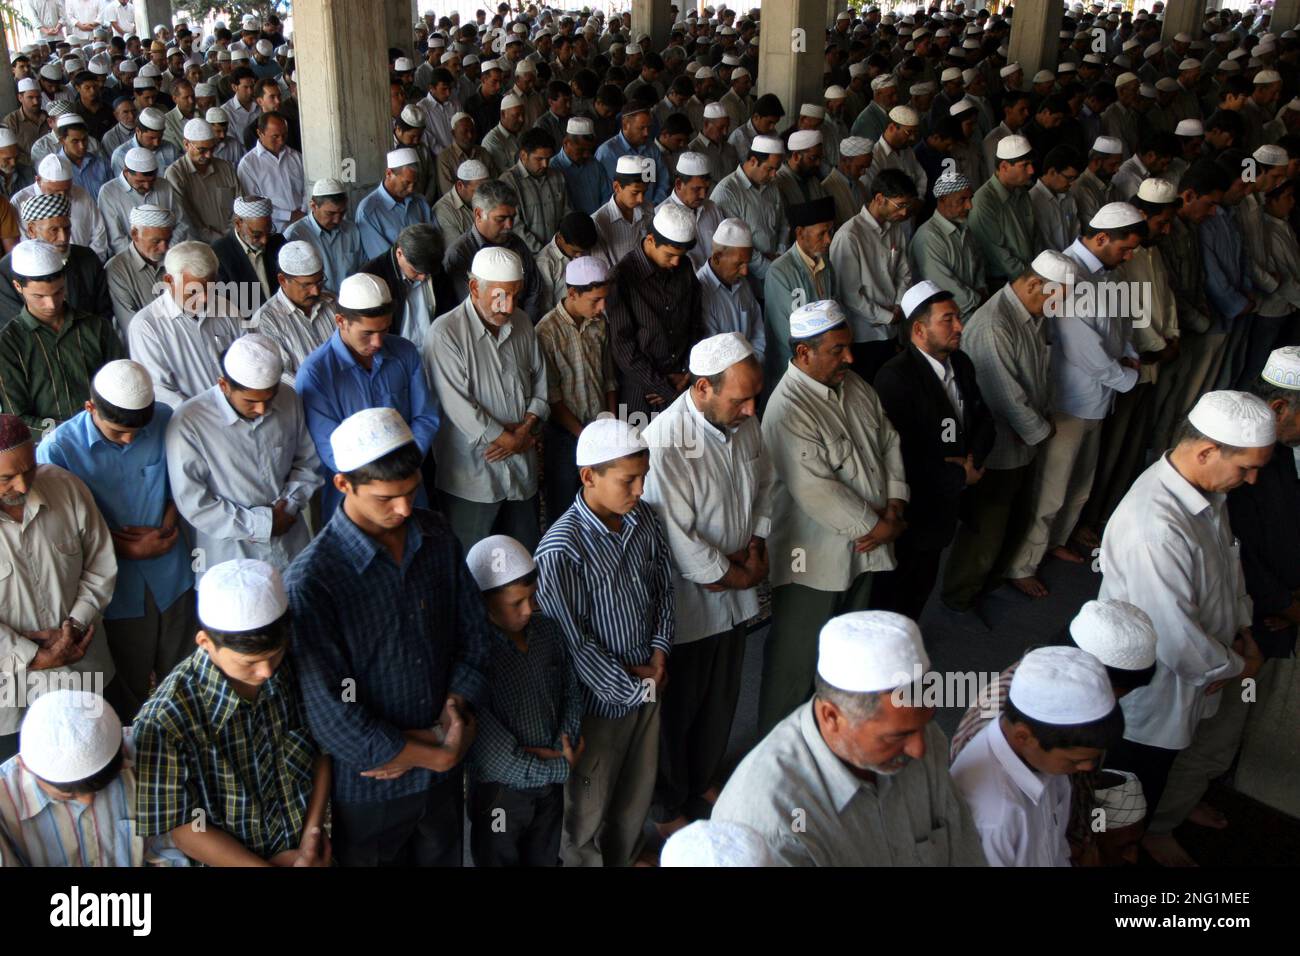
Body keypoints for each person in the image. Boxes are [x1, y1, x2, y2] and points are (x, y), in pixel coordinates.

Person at [286, 408, 491, 867]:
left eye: (410, 492)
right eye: (385, 498)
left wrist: (454, 710)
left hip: (442, 775)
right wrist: (433, 749)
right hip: (371, 789)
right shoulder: (313, 581)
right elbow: (332, 717)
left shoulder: (436, 536)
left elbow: (475, 635)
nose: (403, 509)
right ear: (343, 485)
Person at [1100, 390, 1271, 866]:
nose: (1253, 480)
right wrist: (1241, 664)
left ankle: (1152, 828)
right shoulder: (1154, 526)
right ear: (1206, 452)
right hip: (1153, 692)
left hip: (1201, 668)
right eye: (1246, 469)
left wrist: (1240, 628)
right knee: (1133, 789)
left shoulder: (1206, 490)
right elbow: (1175, 639)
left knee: (1171, 764)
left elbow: (1226, 566)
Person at [712, 610, 987, 866]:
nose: (919, 749)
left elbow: (962, 845)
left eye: (925, 723)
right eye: (896, 736)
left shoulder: (923, 736)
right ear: (832, 716)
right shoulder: (771, 824)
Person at [641, 333, 769, 836]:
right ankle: (668, 804)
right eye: (740, 398)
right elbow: (683, 543)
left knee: (721, 697)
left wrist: (756, 544)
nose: (751, 407)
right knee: (679, 710)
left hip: (737, 586)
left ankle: (699, 781)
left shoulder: (742, 420)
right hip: (693, 600)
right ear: (701, 389)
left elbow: (766, 486)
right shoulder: (665, 444)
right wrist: (742, 574)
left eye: (753, 396)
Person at [758, 300, 907, 734]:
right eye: (839, 349)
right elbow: (817, 491)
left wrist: (895, 503)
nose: (851, 357)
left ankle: (826, 739)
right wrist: (882, 527)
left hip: (866, 547)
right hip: (814, 559)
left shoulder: (855, 385)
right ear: (804, 354)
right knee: (797, 660)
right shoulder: (787, 408)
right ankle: (776, 752)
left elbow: (889, 441)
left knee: (846, 652)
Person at [534, 417, 674, 867]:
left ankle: (627, 852)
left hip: (649, 681)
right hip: (597, 703)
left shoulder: (643, 520)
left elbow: (664, 590)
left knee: (637, 784)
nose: (638, 490)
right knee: (589, 799)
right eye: (628, 480)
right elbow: (571, 643)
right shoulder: (560, 550)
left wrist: (658, 655)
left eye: (643, 479)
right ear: (588, 476)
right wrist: (633, 683)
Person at [133, 558, 332, 867]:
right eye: (249, 662)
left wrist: (311, 840)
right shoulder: (164, 720)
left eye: (274, 654)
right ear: (206, 643)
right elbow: (186, 827)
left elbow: (321, 751)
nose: (266, 671)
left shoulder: (295, 667)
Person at [36, 360, 194, 719]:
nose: (131, 438)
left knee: (183, 681)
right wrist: (127, 547)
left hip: (172, 574)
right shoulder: (58, 451)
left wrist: (169, 520)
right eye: (119, 432)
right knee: (130, 691)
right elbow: (61, 532)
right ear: (90, 407)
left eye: (138, 431)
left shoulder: (165, 419)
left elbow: (180, 487)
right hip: (115, 591)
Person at [1004, 202, 1144, 598]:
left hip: (1099, 394)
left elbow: (1117, 322)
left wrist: (1129, 350)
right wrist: (1127, 376)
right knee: (1051, 488)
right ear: (1102, 239)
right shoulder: (1065, 273)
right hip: (1071, 398)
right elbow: (1082, 347)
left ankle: (1056, 542)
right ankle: (1022, 564)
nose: (1129, 257)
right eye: (1124, 249)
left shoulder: (1104, 272)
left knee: (1079, 483)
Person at [941, 251, 1075, 619]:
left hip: (1021, 442)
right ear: (1034, 284)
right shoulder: (994, 325)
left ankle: (987, 583)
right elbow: (1006, 397)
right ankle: (960, 598)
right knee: (986, 526)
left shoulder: (1028, 315)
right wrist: (1041, 431)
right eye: (1054, 298)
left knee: (1008, 519)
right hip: (999, 446)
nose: (1055, 308)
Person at [872, 282, 996, 620]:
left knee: (922, 587)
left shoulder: (962, 363)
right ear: (919, 329)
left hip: (948, 502)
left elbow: (982, 416)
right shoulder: (895, 378)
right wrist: (959, 475)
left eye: (958, 317)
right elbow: (900, 455)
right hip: (916, 511)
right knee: (897, 592)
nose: (960, 326)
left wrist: (973, 461)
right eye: (948, 319)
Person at [0, 414, 116, 762]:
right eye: (6, 477)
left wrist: (75, 626)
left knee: (94, 765)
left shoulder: (65, 487)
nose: (22, 487)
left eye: (29, 470)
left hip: (83, 668)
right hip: (10, 695)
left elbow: (100, 564)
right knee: (18, 792)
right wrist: (33, 656)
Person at [464, 534, 583, 868]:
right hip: (500, 794)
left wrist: (565, 741)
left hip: (550, 787)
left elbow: (570, 692)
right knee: (499, 857)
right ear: (483, 602)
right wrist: (559, 766)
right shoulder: (474, 656)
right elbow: (488, 747)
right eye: (516, 603)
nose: (529, 609)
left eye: (532, 598)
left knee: (545, 854)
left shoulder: (548, 632)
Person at [951, 646, 1123, 867]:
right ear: (1023, 736)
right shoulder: (992, 817)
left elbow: (1054, 839)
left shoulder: (1042, 758)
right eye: (1076, 760)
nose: (1088, 767)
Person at [165, 333, 322, 573]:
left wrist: (290, 504)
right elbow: (195, 503)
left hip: (291, 541)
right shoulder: (189, 423)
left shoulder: (288, 399)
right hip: (231, 554)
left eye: (269, 400)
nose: (261, 409)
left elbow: (307, 461)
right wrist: (262, 524)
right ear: (223, 385)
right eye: (250, 401)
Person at [425, 246, 547, 552]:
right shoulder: (445, 334)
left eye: (515, 295)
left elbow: (542, 384)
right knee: (475, 565)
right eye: (499, 296)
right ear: (474, 287)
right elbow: (460, 408)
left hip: (521, 472)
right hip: (473, 477)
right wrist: (509, 439)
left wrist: (525, 429)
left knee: (523, 559)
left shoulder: (521, 323)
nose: (508, 306)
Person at [295, 273, 440, 521]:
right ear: (341, 321)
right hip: (356, 497)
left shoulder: (404, 353)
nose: (377, 342)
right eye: (367, 333)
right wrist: (380, 483)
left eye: (384, 331)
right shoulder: (316, 374)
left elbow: (425, 416)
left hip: (409, 488)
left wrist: (402, 471)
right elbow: (329, 448)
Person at [0, 689, 178, 866]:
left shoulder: (149, 756)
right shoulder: (4, 803)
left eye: (102, 787)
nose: (88, 800)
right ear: (25, 766)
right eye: (67, 796)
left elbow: (170, 849)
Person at [0, 239, 122, 437]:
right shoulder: (9, 345)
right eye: (39, 296)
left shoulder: (97, 328)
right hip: (48, 450)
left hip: (107, 438)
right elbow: (16, 418)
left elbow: (120, 384)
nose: (51, 304)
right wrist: (72, 433)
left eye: (58, 292)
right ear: (17, 286)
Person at [535, 255, 617, 522]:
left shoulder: (600, 324)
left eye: (604, 299)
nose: (602, 307)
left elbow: (608, 377)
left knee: (601, 506)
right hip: (564, 436)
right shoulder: (546, 332)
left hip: (598, 428)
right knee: (564, 508)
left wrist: (610, 422)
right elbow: (552, 397)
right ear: (572, 293)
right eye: (595, 300)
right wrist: (583, 435)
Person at [606, 202, 704, 423]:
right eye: (670, 255)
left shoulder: (684, 267)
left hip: (684, 382)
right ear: (650, 240)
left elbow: (695, 324)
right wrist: (663, 387)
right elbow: (623, 348)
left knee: (686, 452)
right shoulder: (622, 277)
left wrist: (688, 373)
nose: (676, 262)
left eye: (681, 255)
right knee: (640, 453)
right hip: (642, 393)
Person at [127, 240, 242, 408]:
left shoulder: (224, 307)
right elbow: (161, 392)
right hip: (192, 423)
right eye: (193, 291)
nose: (204, 299)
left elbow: (247, 355)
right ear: (168, 280)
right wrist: (210, 416)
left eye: (210, 288)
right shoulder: (146, 327)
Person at [829, 167, 916, 381]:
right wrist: (886, 315)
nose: (905, 213)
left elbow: (904, 273)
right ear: (879, 199)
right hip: (864, 335)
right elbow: (849, 295)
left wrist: (898, 306)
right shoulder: (849, 236)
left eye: (907, 206)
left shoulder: (895, 228)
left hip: (892, 329)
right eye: (900, 205)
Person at [762, 197, 836, 389]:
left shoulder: (826, 265)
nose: (828, 240)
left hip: (821, 363)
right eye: (822, 234)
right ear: (800, 233)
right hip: (791, 370)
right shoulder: (780, 272)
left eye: (830, 231)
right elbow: (787, 334)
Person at [710, 134, 787, 286]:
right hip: (746, 279)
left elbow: (784, 224)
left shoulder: (771, 185)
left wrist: (780, 254)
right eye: (770, 168)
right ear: (753, 161)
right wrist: (771, 270)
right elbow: (733, 246)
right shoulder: (727, 192)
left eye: (776, 169)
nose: (773, 175)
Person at [969, 134, 1037, 288]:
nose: (1032, 170)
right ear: (1004, 167)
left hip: (1029, 275)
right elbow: (999, 255)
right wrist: (1030, 280)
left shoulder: (1022, 192)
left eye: (1031, 164)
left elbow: (1034, 236)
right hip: (1004, 283)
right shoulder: (983, 202)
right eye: (1025, 165)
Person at [97, 145, 190, 256]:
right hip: (130, 259)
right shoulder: (108, 192)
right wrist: (143, 258)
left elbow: (181, 223)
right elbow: (116, 239)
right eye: (140, 181)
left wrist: (166, 251)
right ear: (126, 171)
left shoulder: (164, 185)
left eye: (152, 180)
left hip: (168, 254)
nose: (147, 186)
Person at [282, 178, 365, 296]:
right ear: (313, 206)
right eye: (330, 213)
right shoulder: (295, 235)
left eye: (342, 213)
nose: (337, 220)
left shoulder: (352, 231)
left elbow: (361, 268)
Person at [697, 218, 764, 358]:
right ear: (717, 258)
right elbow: (714, 350)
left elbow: (758, 329)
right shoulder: (700, 290)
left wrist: (755, 362)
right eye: (739, 264)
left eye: (747, 263)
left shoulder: (741, 281)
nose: (745, 271)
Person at [103, 203, 173, 337]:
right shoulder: (116, 270)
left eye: (167, 240)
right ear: (135, 234)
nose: (164, 248)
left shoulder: (174, 259)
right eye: (156, 241)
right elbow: (132, 327)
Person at [356, 148, 433, 261]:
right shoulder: (368, 211)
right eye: (406, 183)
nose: (411, 189)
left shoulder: (419, 202)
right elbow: (383, 258)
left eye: (415, 183)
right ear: (389, 173)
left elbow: (433, 238)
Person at [235, 111, 305, 233]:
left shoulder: (296, 157)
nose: (281, 141)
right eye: (275, 136)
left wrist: (303, 211)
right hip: (273, 230)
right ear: (260, 133)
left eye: (284, 135)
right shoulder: (248, 165)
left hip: (303, 222)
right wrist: (289, 216)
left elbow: (308, 188)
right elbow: (254, 204)